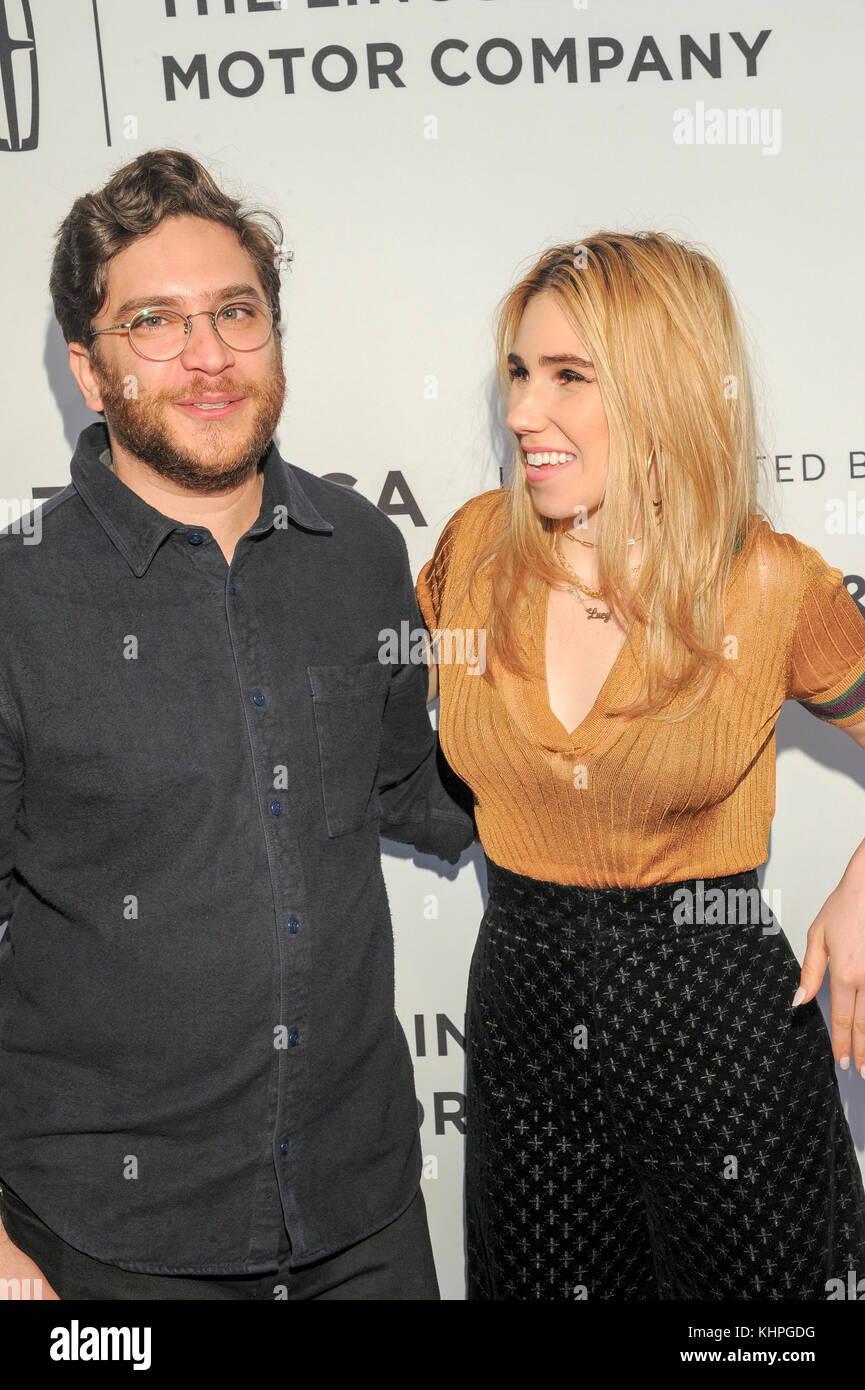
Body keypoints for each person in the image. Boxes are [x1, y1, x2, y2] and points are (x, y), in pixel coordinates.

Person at [0, 148, 473, 1301]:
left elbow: (427, 788)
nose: (207, 356)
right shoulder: (18, 597)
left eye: (235, 313)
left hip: (363, 1214)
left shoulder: (362, 550)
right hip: (105, 1241)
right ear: (88, 365)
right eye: (154, 322)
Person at [416, 231, 865, 1300]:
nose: (525, 410)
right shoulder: (474, 548)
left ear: (667, 390)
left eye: (570, 376)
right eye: (521, 373)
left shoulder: (770, 585)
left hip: (718, 1020)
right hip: (524, 1014)